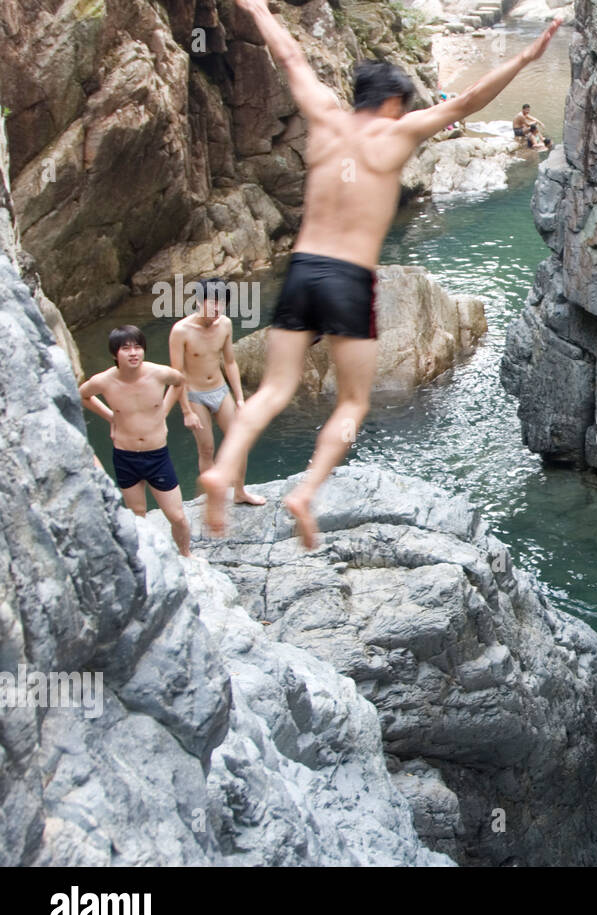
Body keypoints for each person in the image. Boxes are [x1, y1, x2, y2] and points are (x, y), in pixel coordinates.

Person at [201, 1, 561, 548]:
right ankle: (306, 491)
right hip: (348, 279)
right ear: (393, 101)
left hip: (302, 269)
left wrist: (254, 7)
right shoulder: (397, 133)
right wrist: (526, 55)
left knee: (274, 388)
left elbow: (289, 54)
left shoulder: (323, 114)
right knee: (352, 403)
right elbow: (468, 101)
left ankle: (223, 467)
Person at [80, 326, 192, 556]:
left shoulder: (159, 373)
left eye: (138, 347)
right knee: (138, 515)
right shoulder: (104, 381)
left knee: (177, 516)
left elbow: (180, 381)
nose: (133, 353)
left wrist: (164, 410)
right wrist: (111, 416)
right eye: (126, 348)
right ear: (115, 354)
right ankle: (144, 560)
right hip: (125, 456)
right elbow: (82, 395)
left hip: (157, 455)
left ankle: (186, 555)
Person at [169, 279, 266, 506]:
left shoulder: (225, 324)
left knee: (239, 441)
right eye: (212, 304)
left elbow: (230, 362)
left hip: (220, 391)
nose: (217, 310)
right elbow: (177, 374)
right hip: (195, 396)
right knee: (207, 448)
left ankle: (240, 492)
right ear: (198, 302)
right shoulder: (181, 331)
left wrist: (240, 398)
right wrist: (186, 411)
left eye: (221, 304)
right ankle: (211, 496)